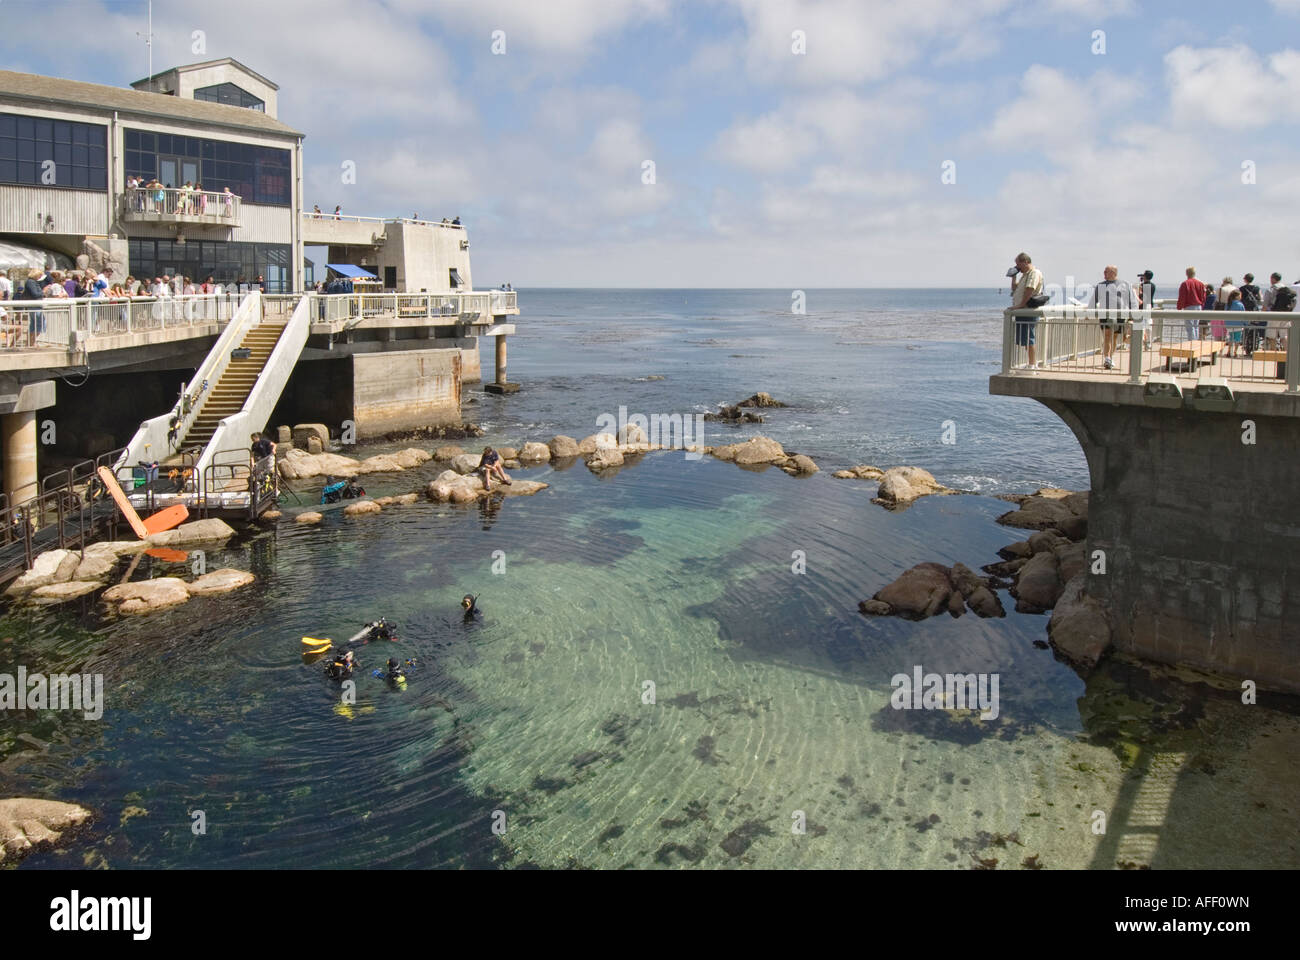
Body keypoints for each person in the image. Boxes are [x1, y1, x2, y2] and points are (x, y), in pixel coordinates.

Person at [1092, 264, 1132, 369]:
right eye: (1104, 271)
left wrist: (1132, 315)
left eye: (1106, 271)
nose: (1104, 273)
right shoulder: (1100, 286)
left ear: (1113, 273)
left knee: (1114, 337)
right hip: (1105, 314)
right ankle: (1107, 359)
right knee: (1107, 335)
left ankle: (1110, 357)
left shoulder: (1124, 285)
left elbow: (1130, 300)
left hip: (1120, 315)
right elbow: (1094, 300)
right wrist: (1090, 312)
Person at [1010, 252, 1044, 369]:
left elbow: (1030, 290)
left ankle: (1032, 364)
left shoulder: (1034, 273)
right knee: (1025, 339)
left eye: (1018, 264)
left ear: (1025, 262)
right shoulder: (1025, 275)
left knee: (1029, 338)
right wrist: (1013, 276)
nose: (1017, 267)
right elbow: (1015, 288)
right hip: (1022, 310)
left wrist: (1021, 305)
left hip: (1027, 310)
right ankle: (1031, 362)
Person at [1176, 267, 1206, 341]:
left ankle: (1191, 342)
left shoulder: (1185, 284)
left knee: (1190, 327)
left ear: (1186, 273)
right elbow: (1203, 297)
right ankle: (1195, 341)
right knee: (1196, 326)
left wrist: (1179, 307)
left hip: (1189, 307)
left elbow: (1182, 297)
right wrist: (1202, 305)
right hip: (1198, 307)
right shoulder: (1200, 284)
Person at [1225, 289, 1246, 356]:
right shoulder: (1240, 304)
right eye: (1240, 295)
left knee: (1231, 338)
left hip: (1229, 324)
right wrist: (1245, 323)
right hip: (1238, 324)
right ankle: (1235, 352)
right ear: (1237, 296)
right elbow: (1243, 315)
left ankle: (1229, 351)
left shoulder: (1228, 304)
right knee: (1237, 339)